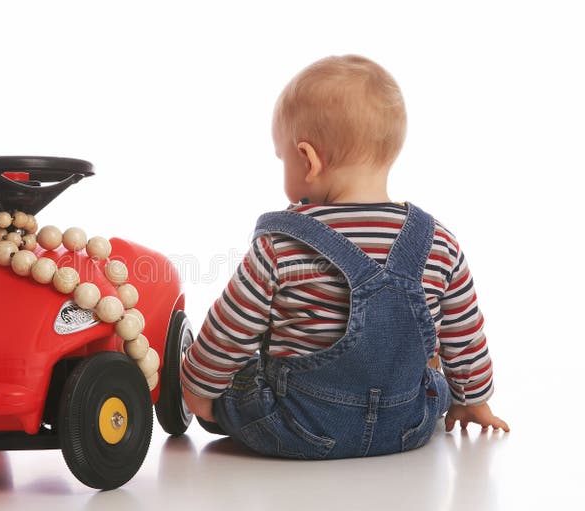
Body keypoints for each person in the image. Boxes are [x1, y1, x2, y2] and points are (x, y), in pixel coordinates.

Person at [180, 55, 509, 459]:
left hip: (299, 428)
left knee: (235, 382)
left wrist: (198, 388)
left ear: (308, 159)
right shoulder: (439, 242)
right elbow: (464, 331)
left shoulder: (281, 244)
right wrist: (472, 399)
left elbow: (231, 326)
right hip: (407, 426)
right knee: (433, 377)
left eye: (282, 158)